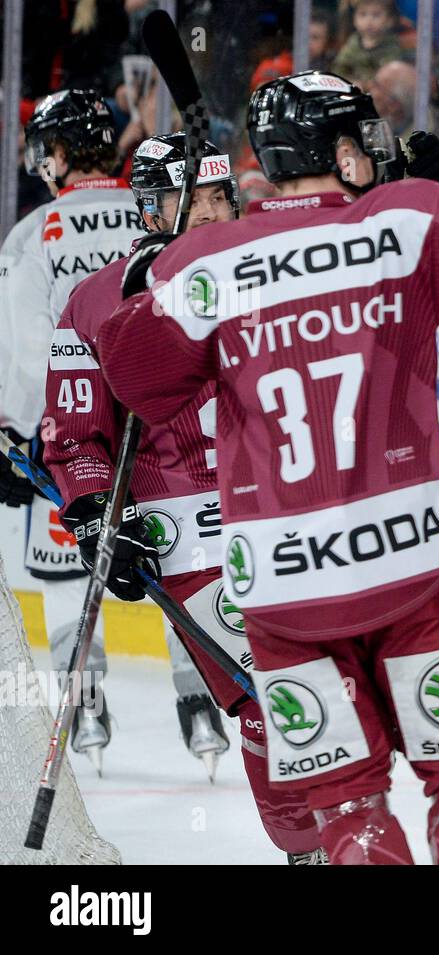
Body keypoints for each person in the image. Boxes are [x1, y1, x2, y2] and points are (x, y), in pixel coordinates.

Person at [96, 10, 439, 865]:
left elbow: (137, 374)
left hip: (284, 594)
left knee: (348, 809)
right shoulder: (405, 222)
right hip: (410, 569)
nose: (376, 151)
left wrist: (157, 267)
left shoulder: (209, 263)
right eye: (362, 141)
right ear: (337, 155)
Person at [41, 133, 333, 863]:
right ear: (152, 206)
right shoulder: (93, 302)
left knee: (332, 691)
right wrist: (91, 512)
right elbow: (75, 436)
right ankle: (310, 849)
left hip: (289, 524)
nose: (212, 211)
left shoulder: (266, 272)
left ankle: (344, 834)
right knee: (274, 696)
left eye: (219, 195)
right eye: (194, 197)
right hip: (193, 539)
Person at [0, 90, 192, 769]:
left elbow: (27, 356)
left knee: (63, 562)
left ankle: (85, 705)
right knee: (179, 553)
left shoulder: (36, 232)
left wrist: (19, 435)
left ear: (56, 155)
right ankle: (200, 700)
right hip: (162, 423)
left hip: (77, 430)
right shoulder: (157, 211)